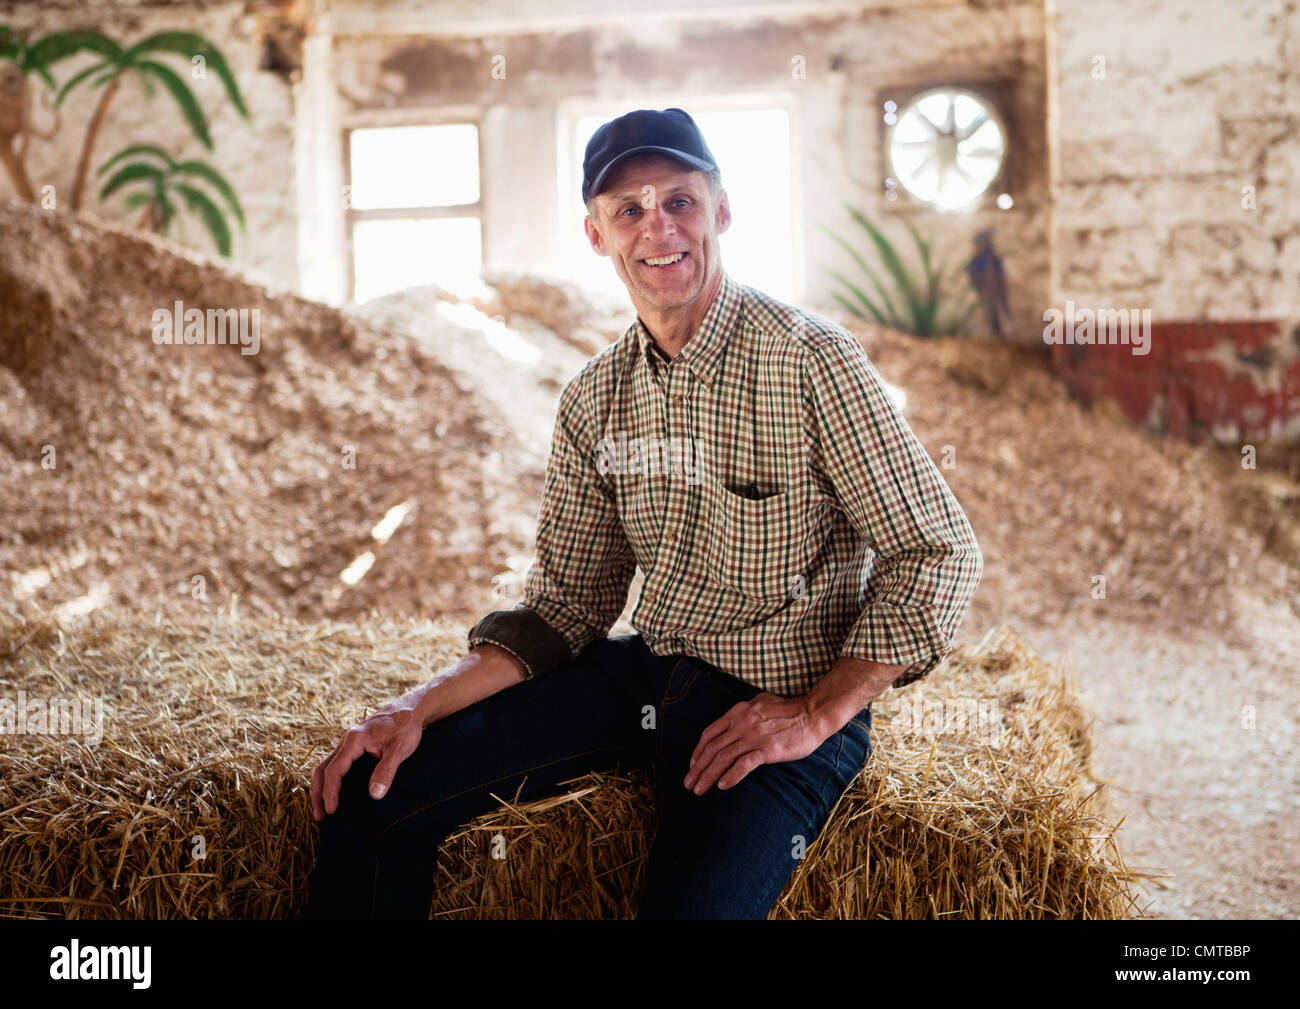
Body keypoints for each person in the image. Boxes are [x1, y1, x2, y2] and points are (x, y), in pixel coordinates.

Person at [306, 107, 983, 920]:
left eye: (680, 201)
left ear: (721, 211)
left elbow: (937, 550)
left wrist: (816, 713)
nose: (657, 227)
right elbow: (565, 607)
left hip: (777, 695)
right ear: (596, 235)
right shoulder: (594, 398)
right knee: (370, 799)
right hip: (648, 674)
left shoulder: (811, 361)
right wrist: (415, 707)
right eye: (628, 208)